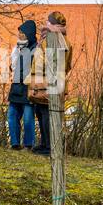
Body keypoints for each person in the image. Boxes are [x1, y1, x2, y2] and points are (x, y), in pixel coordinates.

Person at [28, 10, 71, 156]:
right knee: (41, 112)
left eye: (48, 22)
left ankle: (49, 147)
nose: (45, 24)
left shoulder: (54, 40)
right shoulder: (58, 39)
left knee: (47, 114)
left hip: (48, 81)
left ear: (52, 24)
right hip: (44, 80)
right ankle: (45, 144)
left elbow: (50, 62)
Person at [7, 20, 37, 150]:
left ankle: (28, 144)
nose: (19, 35)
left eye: (22, 33)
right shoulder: (17, 48)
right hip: (16, 86)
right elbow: (13, 66)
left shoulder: (36, 48)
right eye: (19, 32)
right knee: (12, 115)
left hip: (29, 87)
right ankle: (15, 143)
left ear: (28, 34)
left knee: (28, 118)